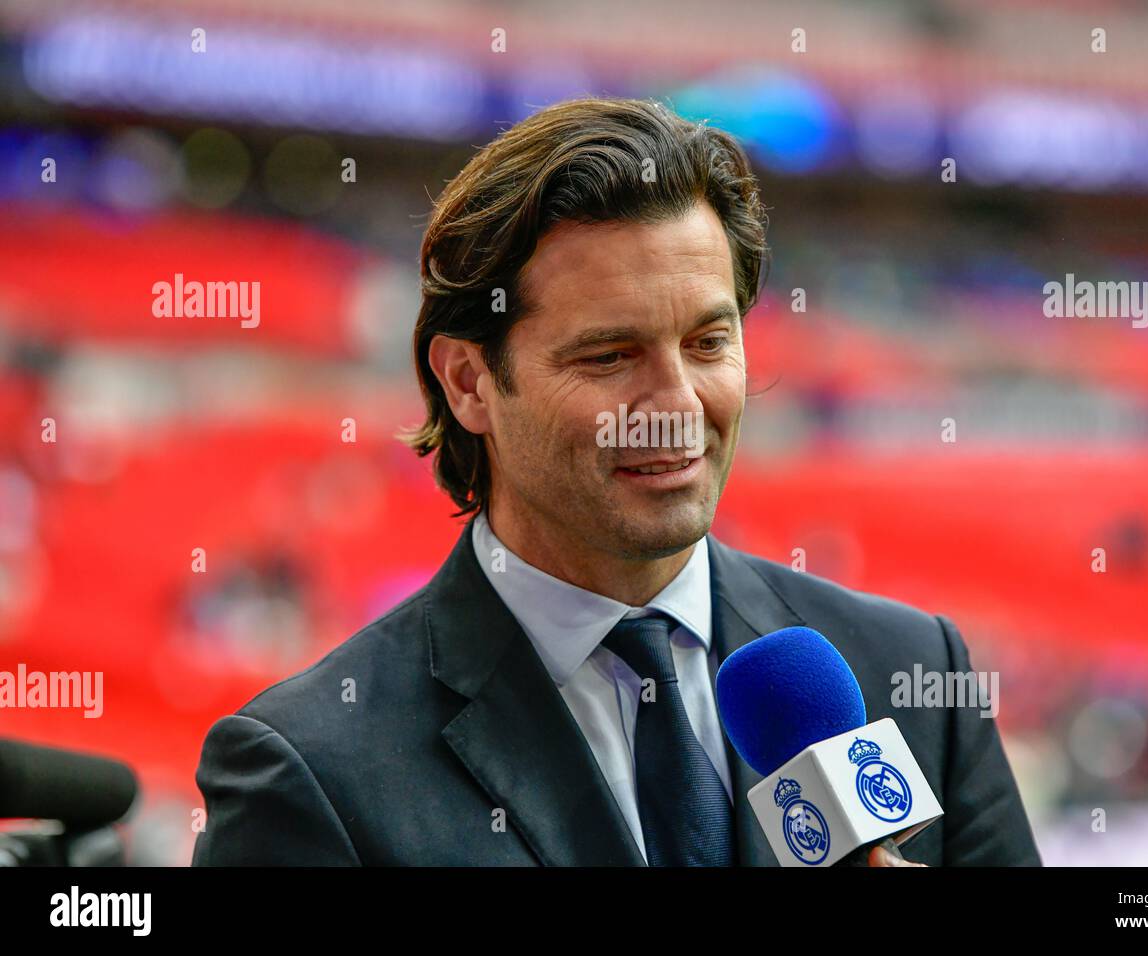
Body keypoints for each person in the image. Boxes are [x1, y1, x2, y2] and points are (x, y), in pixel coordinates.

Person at [192, 96, 1040, 866]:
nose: (675, 403)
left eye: (709, 344)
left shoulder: (913, 672)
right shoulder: (312, 771)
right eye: (609, 356)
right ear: (468, 382)